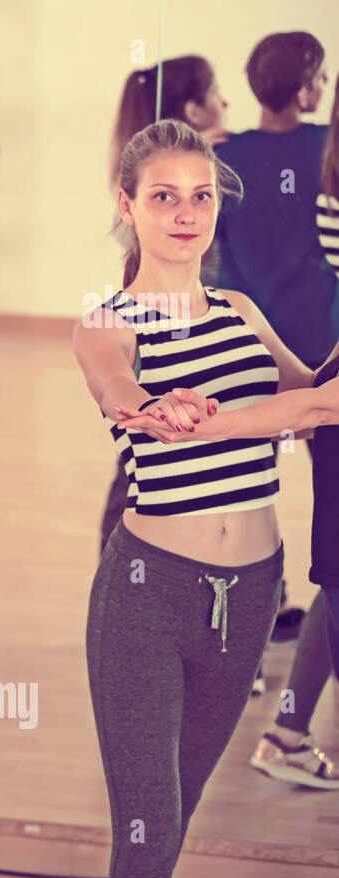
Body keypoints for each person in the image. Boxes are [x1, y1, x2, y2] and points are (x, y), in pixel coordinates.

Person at [74, 118, 322, 878]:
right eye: (164, 196)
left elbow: (310, 396)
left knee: (180, 810)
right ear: (128, 204)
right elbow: (117, 385)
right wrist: (146, 403)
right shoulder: (106, 322)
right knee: (147, 834)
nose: (186, 213)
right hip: (147, 597)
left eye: (201, 196)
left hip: (252, 594)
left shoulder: (241, 311)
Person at [214, 33, 335, 649]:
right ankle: (324, 609)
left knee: (245, 484)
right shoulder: (323, 146)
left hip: (247, 347)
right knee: (330, 481)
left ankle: (258, 617)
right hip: (318, 345)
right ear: (305, 88)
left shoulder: (224, 154)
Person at [97, 56, 232, 558]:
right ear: (195, 109)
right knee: (142, 459)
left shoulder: (171, 162)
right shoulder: (166, 166)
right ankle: (120, 568)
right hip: (169, 327)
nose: (226, 105)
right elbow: (117, 390)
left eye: (203, 197)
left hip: (196, 324)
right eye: (219, 93)